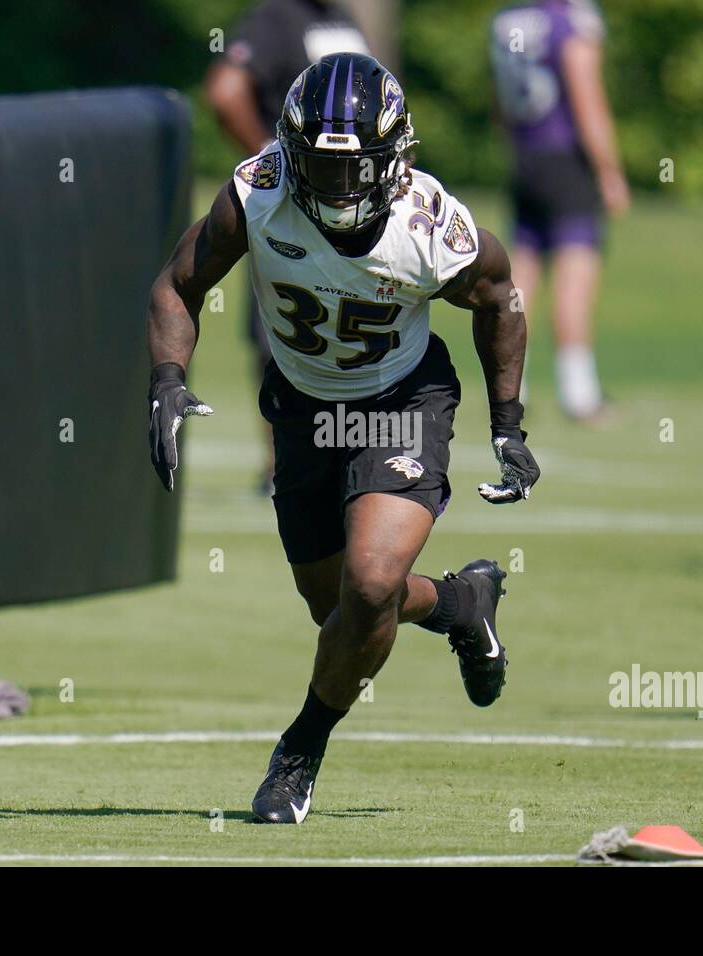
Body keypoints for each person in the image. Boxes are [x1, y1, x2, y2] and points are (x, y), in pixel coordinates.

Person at [147, 53, 541, 824]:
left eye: (353, 170)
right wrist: (166, 378)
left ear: (395, 162)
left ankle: (299, 751)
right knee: (340, 608)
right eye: (319, 170)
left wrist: (508, 425)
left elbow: (502, 298)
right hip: (302, 408)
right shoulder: (257, 194)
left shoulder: (431, 229)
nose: (334, 189)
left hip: (402, 398)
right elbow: (177, 285)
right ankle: (462, 602)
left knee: (367, 586)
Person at [204, 0, 371, 492]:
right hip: (299, 203)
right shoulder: (278, 16)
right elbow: (225, 90)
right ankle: (281, 464)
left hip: (354, 205)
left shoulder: (339, 17)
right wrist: (271, 160)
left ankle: (343, 455)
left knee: (351, 320)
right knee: (285, 330)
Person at [489, 0, 629, 420]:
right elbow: (586, 96)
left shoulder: (507, 20)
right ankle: (579, 392)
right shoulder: (570, 18)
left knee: (524, 274)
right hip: (566, 157)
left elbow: (500, 102)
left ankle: (512, 387)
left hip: (525, 155)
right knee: (575, 271)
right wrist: (608, 168)